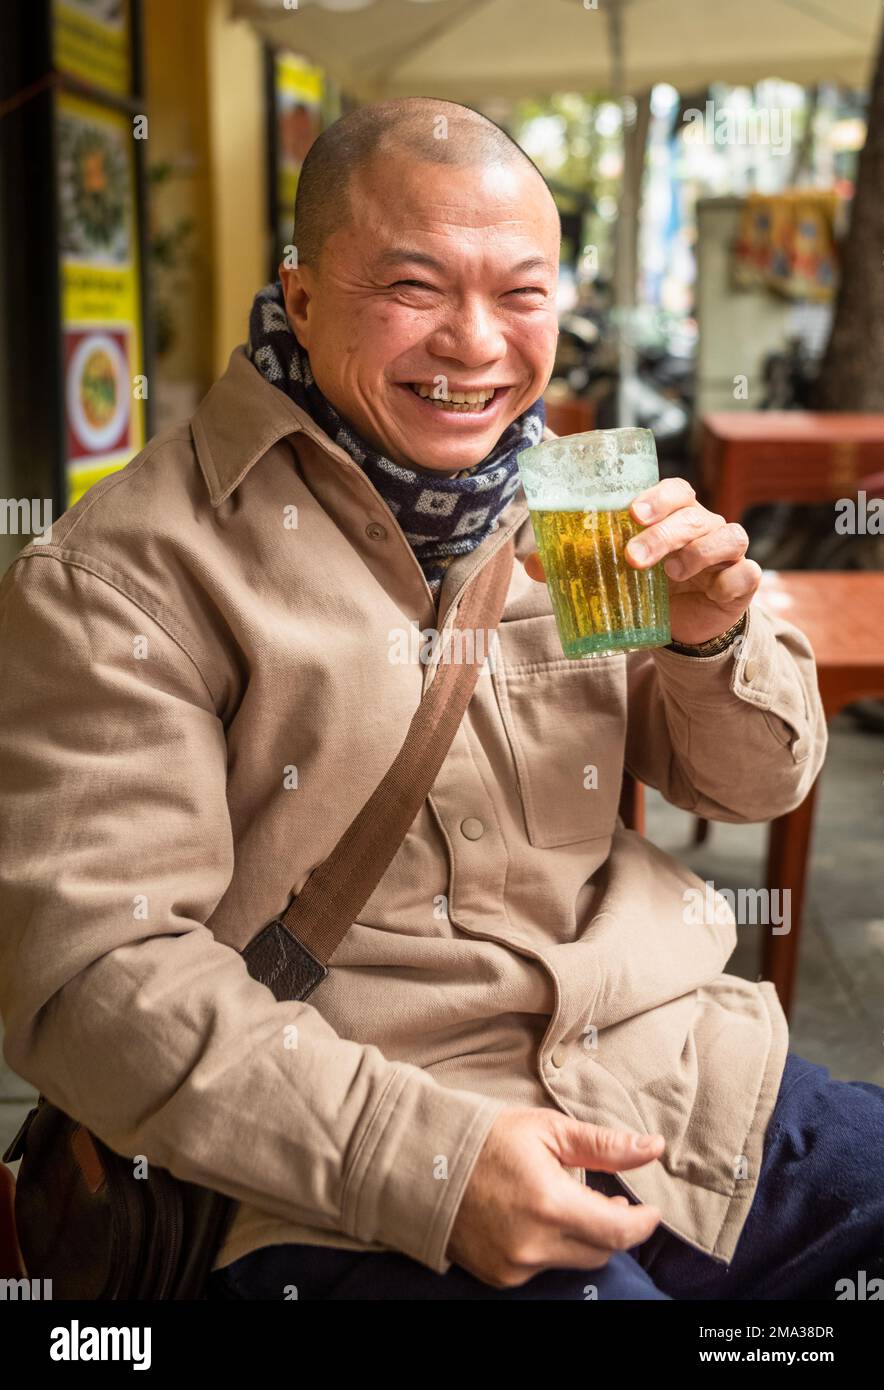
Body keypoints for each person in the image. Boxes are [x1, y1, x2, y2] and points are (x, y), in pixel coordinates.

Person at [0, 98, 880, 1302]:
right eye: (414, 286)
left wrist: (709, 637)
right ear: (302, 299)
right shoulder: (129, 576)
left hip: (673, 1081)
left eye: (519, 293)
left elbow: (746, 782)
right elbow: (94, 978)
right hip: (339, 1163)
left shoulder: (577, 505)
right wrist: (425, 1164)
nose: (474, 344)